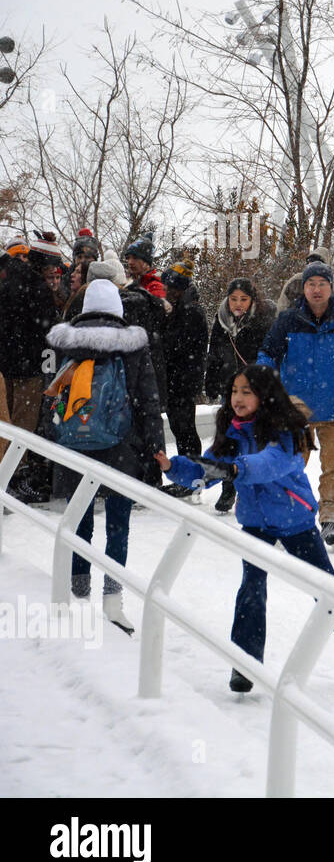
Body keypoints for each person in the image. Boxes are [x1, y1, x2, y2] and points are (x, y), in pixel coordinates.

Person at [157, 365, 334, 691]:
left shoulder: (287, 430)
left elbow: (271, 463)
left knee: (326, 594)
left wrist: (234, 468)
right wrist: (174, 467)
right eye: (234, 392)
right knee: (251, 591)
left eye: (246, 392)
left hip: (295, 521)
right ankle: (245, 663)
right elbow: (207, 473)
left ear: (263, 395)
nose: (238, 399)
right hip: (256, 523)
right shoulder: (233, 433)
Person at [45, 279, 166, 634]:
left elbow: (51, 398)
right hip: (121, 446)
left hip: (74, 444)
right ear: (117, 308)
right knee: (118, 525)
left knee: (79, 519)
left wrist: (52, 439)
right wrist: (155, 445)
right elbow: (148, 400)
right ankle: (113, 602)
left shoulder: (67, 343)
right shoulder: (133, 346)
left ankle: (78, 588)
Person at [257, 261, 334, 548]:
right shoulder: (287, 320)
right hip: (295, 410)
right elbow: (267, 355)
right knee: (290, 467)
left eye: (322, 283)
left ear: (331, 287)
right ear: (304, 288)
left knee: (333, 468)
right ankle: (284, 520)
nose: (317, 289)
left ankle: (330, 518)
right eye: (311, 284)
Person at [204, 277, 276, 513]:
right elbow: (214, 351)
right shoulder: (221, 318)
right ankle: (228, 487)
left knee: (255, 438)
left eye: (243, 299)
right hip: (229, 387)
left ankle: (254, 485)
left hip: (255, 389)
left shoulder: (262, 320)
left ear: (252, 300)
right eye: (234, 298)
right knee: (228, 436)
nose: (238, 304)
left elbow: (270, 352)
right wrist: (211, 380)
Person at [0, 237, 61, 503]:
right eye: (53, 266)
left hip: (7, 365)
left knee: (7, 421)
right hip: (28, 367)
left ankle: (8, 471)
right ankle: (14, 476)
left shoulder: (9, 279)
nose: (55, 271)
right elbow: (46, 326)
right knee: (24, 424)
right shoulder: (37, 287)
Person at [158, 263, 209, 496]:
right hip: (177, 380)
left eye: (171, 288)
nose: (168, 292)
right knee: (182, 429)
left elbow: (178, 346)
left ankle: (191, 478)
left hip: (182, 382)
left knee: (185, 429)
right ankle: (188, 476)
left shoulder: (190, 311)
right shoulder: (183, 308)